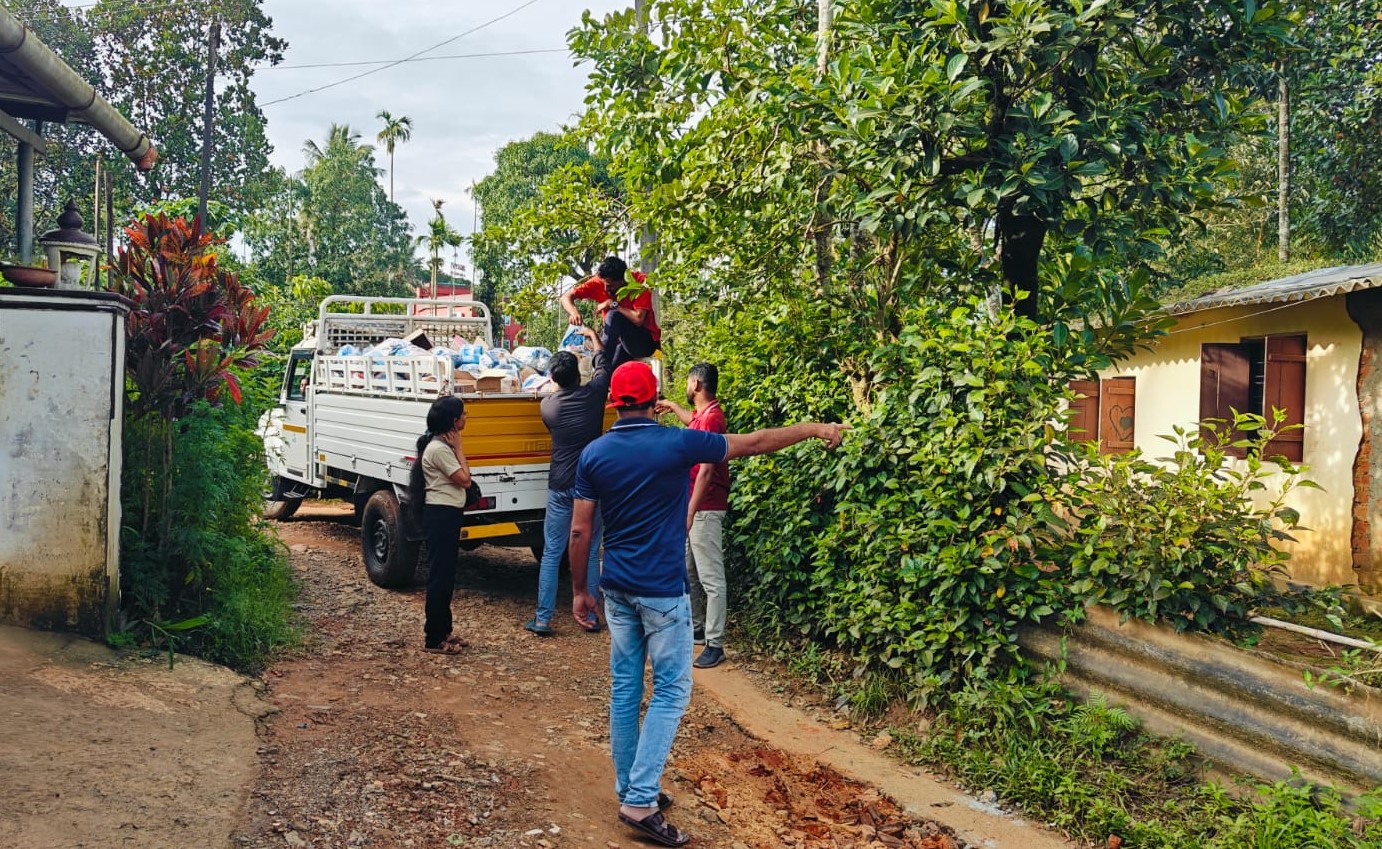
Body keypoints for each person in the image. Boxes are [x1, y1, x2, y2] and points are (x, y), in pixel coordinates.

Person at [568, 361, 849, 847]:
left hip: (616, 588)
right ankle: (639, 800)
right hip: (661, 590)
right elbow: (756, 441)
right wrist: (813, 429)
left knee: (626, 688)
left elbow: (580, 530)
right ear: (654, 399)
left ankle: (632, 786)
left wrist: (579, 589)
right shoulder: (678, 443)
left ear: (614, 402)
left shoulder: (594, 454)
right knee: (672, 692)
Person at [525, 326, 610, 637]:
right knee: (589, 550)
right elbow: (603, 362)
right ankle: (592, 616)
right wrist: (593, 336)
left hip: (560, 483)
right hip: (591, 485)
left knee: (552, 551)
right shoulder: (595, 395)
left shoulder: (548, 406)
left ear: (553, 379)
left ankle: (543, 619)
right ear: (578, 374)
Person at [654, 363, 731, 669]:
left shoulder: (712, 417)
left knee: (711, 577)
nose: (686, 387)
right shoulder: (704, 415)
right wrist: (673, 407)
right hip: (694, 506)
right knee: (690, 570)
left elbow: (708, 469)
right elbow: (692, 423)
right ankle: (698, 627)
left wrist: (689, 510)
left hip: (705, 507)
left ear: (696, 383)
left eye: (687, 383)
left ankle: (715, 642)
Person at [407, 395, 473, 654]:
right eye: (463, 415)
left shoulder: (438, 446)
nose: (466, 418)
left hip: (447, 513)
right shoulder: (440, 449)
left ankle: (444, 630)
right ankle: (433, 638)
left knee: (446, 577)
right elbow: (465, 479)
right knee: (439, 578)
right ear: (453, 421)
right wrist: (459, 449)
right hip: (441, 514)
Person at [561, 256, 661, 371]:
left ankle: (601, 357)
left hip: (644, 343)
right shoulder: (600, 281)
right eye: (603, 284)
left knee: (613, 315)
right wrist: (574, 312)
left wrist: (613, 304)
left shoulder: (641, 282)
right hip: (620, 344)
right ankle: (600, 369)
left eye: (610, 285)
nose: (605, 288)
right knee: (607, 372)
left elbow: (638, 319)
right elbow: (566, 297)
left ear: (623, 280)